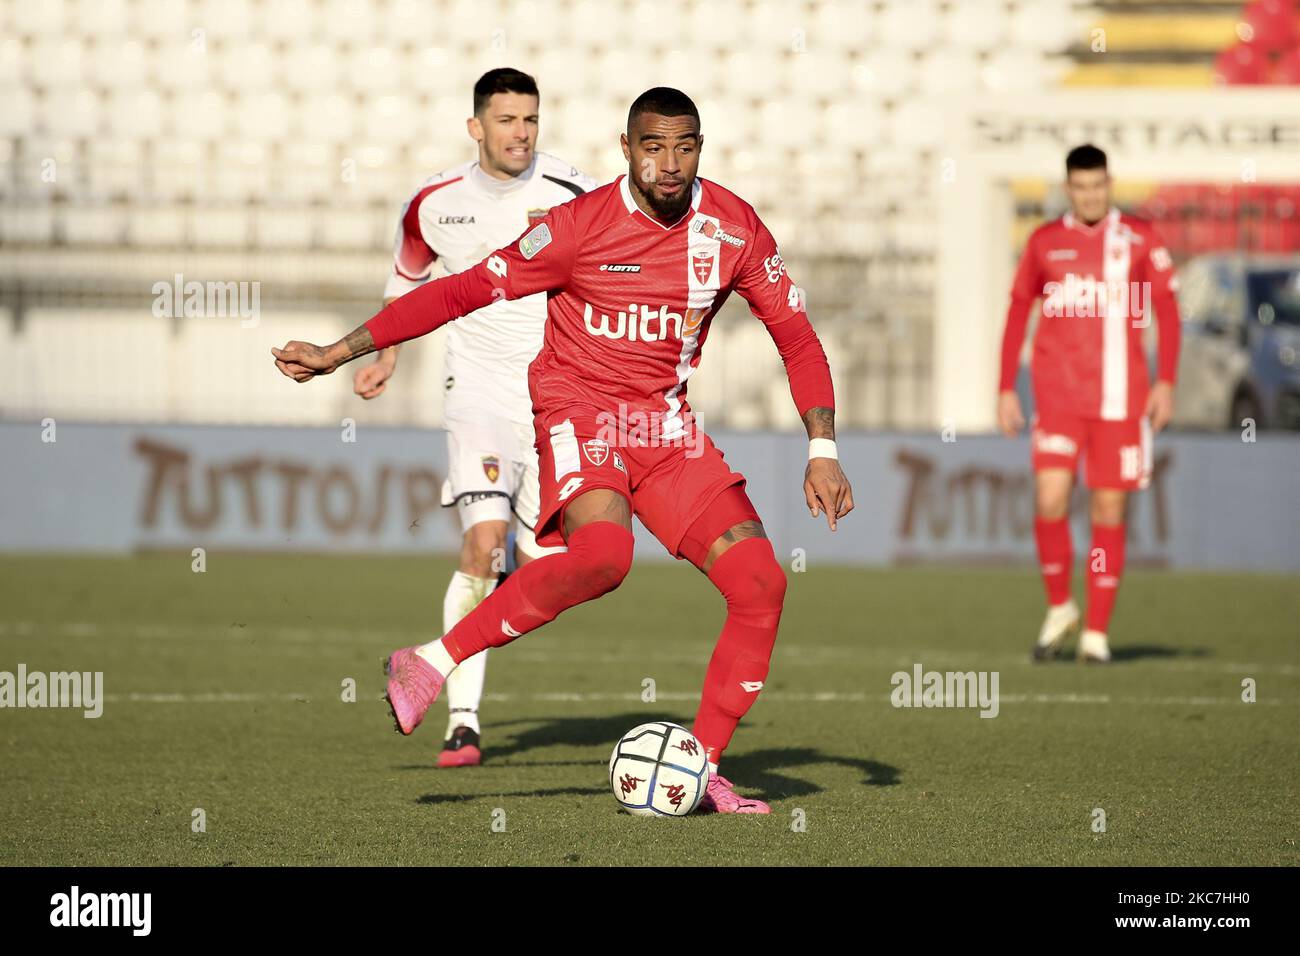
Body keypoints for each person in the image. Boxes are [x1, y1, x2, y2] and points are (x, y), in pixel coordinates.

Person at [273, 87, 854, 813]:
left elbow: (795, 336)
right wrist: (339, 350)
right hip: (580, 409)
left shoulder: (732, 229)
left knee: (762, 584)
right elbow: (458, 293)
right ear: (626, 148)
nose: (670, 164)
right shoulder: (578, 229)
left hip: (663, 427)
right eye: (654, 147)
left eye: (686, 147)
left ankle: (700, 768)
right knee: (604, 558)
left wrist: (822, 448)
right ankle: (432, 661)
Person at [356, 67, 595, 768]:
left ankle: (520, 562)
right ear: (476, 127)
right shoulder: (434, 202)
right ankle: (461, 721)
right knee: (482, 545)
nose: (520, 133)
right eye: (506, 120)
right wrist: (389, 353)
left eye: (530, 120)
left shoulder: (574, 192)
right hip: (479, 393)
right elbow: (409, 277)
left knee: (555, 570)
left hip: (556, 397)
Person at [997, 144, 1181, 663]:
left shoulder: (1140, 239)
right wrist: (1007, 385)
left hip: (1122, 403)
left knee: (1108, 509)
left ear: (1110, 183)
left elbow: (1167, 311)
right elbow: (1017, 310)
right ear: (1068, 188)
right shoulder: (1045, 242)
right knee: (1050, 500)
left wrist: (1166, 381)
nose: (1091, 195)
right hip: (1057, 398)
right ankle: (1060, 605)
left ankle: (1097, 633)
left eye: (1098, 185)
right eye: (1080, 187)